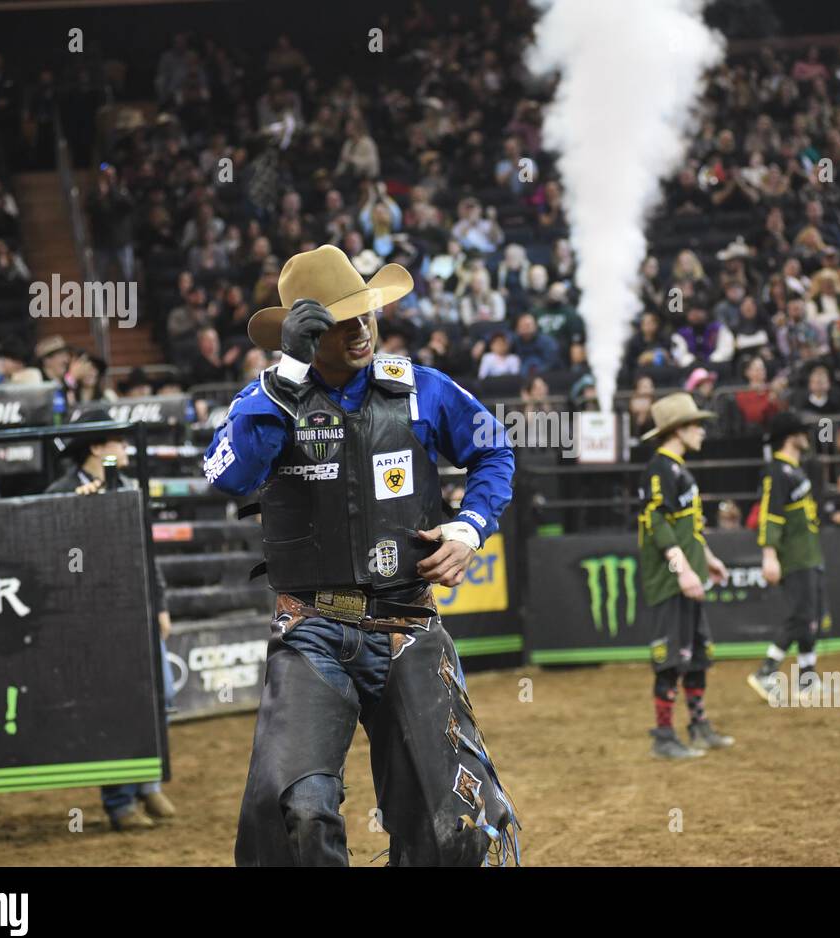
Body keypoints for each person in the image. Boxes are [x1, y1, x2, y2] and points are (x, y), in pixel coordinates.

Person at [202, 246, 519, 866]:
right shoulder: (265, 403)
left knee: (451, 824)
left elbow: (494, 450)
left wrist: (469, 529)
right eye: (340, 321)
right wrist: (288, 378)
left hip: (407, 624)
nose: (361, 329)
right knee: (298, 808)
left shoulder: (421, 390)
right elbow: (231, 476)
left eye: (365, 314)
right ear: (304, 334)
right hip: (311, 629)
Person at [45, 408, 177, 831]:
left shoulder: (126, 486)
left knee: (161, 695)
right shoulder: (61, 494)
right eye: (117, 441)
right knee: (113, 705)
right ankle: (121, 799)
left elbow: (145, 550)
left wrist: (159, 603)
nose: (124, 448)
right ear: (97, 447)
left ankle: (144, 781)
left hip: (135, 606)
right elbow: (62, 564)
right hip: (94, 617)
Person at [636, 393, 733, 759]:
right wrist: (682, 570)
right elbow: (656, 521)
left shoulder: (679, 470)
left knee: (697, 656)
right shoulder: (660, 468)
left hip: (688, 577)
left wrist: (707, 559)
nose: (702, 431)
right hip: (672, 581)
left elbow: (687, 528)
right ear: (678, 430)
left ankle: (698, 725)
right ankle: (664, 735)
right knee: (671, 659)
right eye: (696, 425)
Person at [746, 411, 829, 702]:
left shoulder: (797, 469)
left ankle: (808, 678)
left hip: (809, 553)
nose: (806, 436)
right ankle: (766, 671)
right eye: (801, 432)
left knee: (811, 619)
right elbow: (770, 514)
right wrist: (769, 554)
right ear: (789, 436)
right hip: (794, 556)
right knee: (800, 616)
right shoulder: (776, 471)